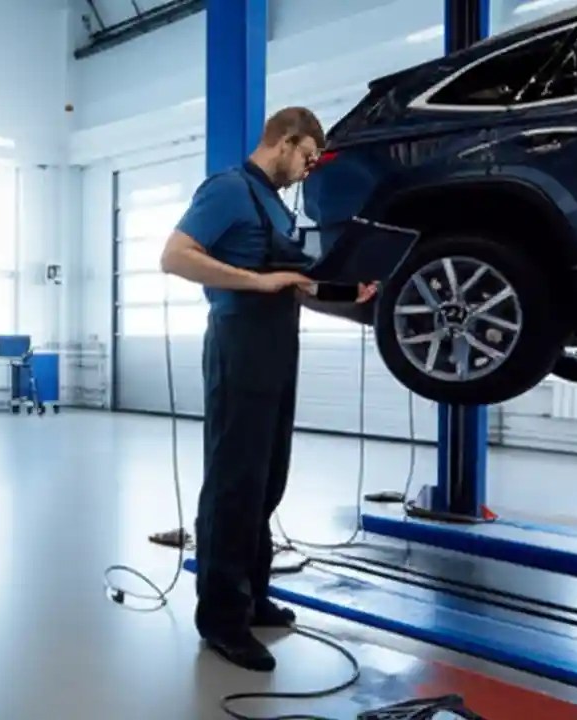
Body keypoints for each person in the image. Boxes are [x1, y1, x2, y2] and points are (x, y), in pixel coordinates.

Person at [160, 107, 376, 672]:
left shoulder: (278, 208)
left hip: (279, 346)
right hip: (238, 345)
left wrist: (347, 291)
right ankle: (222, 622)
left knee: (267, 477)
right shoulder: (229, 191)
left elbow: (295, 284)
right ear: (286, 140)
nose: (309, 169)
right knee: (234, 482)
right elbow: (175, 255)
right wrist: (260, 281)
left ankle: (252, 598)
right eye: (307, 157)